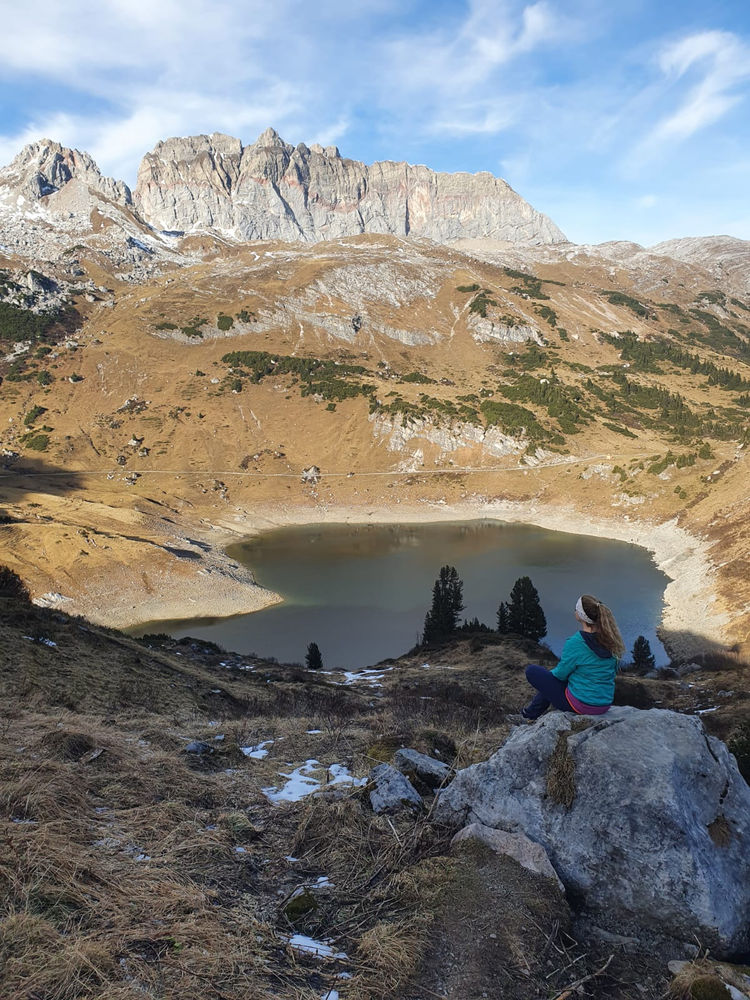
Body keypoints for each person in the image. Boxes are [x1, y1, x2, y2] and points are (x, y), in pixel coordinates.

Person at [521, 594, 625, 721]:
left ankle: (529, 714)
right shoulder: (610, 640)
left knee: (532, 671)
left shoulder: (576, 642)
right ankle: (530, 713)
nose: (574, 611)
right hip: (604, 704)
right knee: (558, 680)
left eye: (576, 609)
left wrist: (550, 677)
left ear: (581, 616)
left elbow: (560, 674)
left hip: (581, 705)